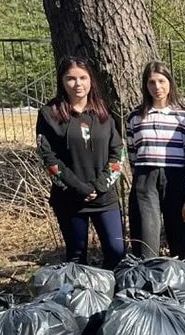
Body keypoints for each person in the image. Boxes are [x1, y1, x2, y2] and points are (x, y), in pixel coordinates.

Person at [36, 57, 126, 268]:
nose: (78, 84)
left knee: (117, 252)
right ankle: (80, 297)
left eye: (83, 78)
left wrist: (98, 186)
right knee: (77, 255)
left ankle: (112, 295)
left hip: (104, 197)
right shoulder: (49, 114)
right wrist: (79, 188)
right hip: (70, 199)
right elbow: (48, 157)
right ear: (62, 81)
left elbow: (118, 151)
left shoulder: (104, 112)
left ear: (91, 80)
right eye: (71, 79)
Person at [125, 61, 185, 261]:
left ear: (170, 83)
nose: (157, 87)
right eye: (151, 83)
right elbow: (133, 156)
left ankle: (179, 284)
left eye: (161, 81)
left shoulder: (184, 117)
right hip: (145, 181)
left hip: (176, 180)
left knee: (179, 238)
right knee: (147, 239)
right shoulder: (134, 118)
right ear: (145, 86)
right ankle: (147, 285)